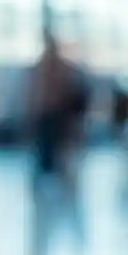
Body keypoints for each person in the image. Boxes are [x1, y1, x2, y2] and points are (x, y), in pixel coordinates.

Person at [26, 35, 90, 179]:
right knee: (45, 148)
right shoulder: (43, 67)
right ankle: (47, 172)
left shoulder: (60, 68)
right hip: (45, 112)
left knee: (56, 147)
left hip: (56, 113)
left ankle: (55, 173)